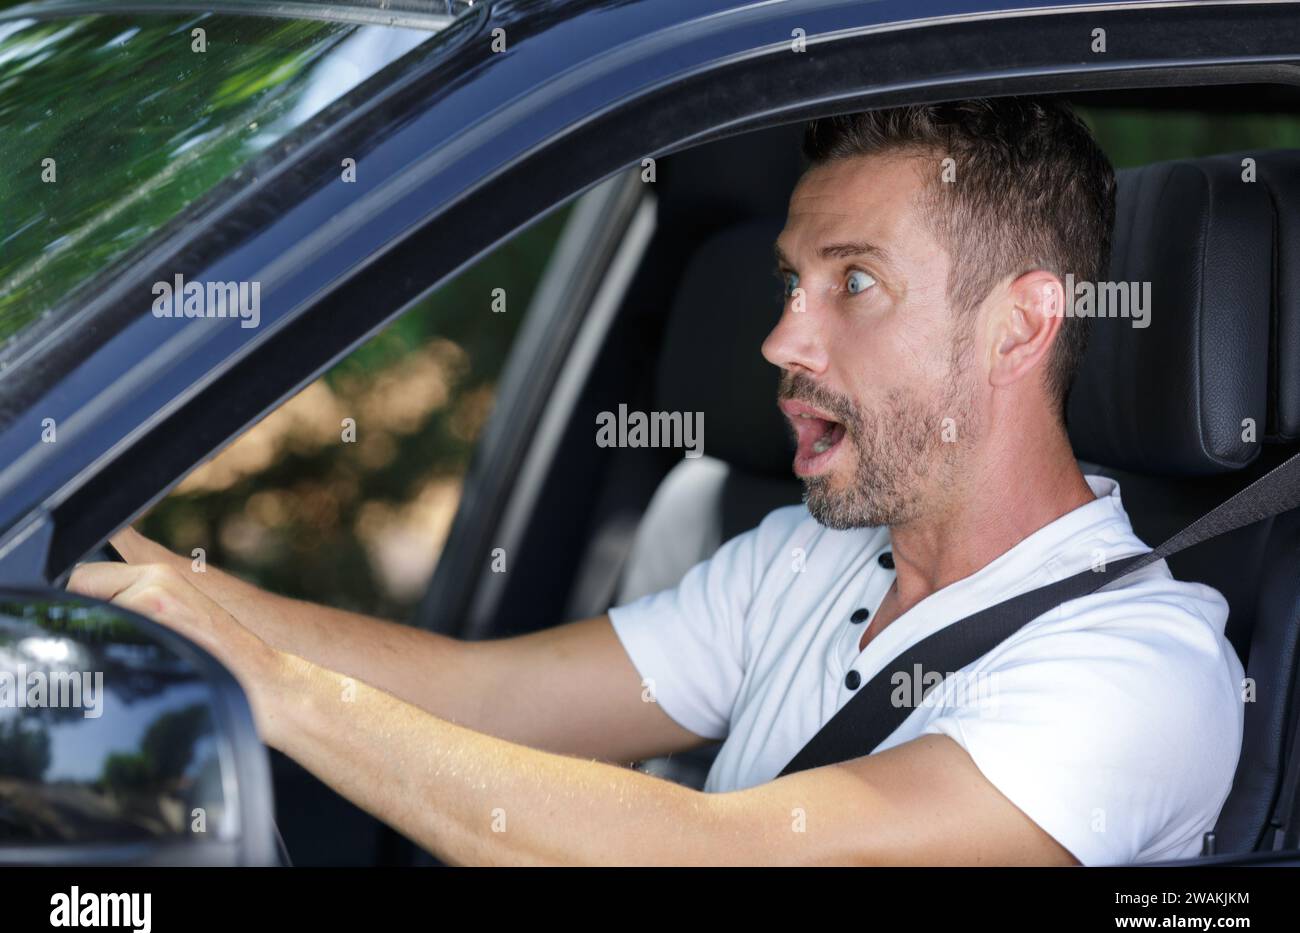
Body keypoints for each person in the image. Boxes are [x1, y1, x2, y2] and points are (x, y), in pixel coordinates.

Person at [69, 97, 1245, 866]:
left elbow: (707, 857)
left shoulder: (1137, 670)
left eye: (853, 283)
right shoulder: (806, 556)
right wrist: (119, 573)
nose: (783, 339)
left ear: (1020, 324)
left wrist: (275, 691)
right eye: (790, 283)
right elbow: (481, 701)